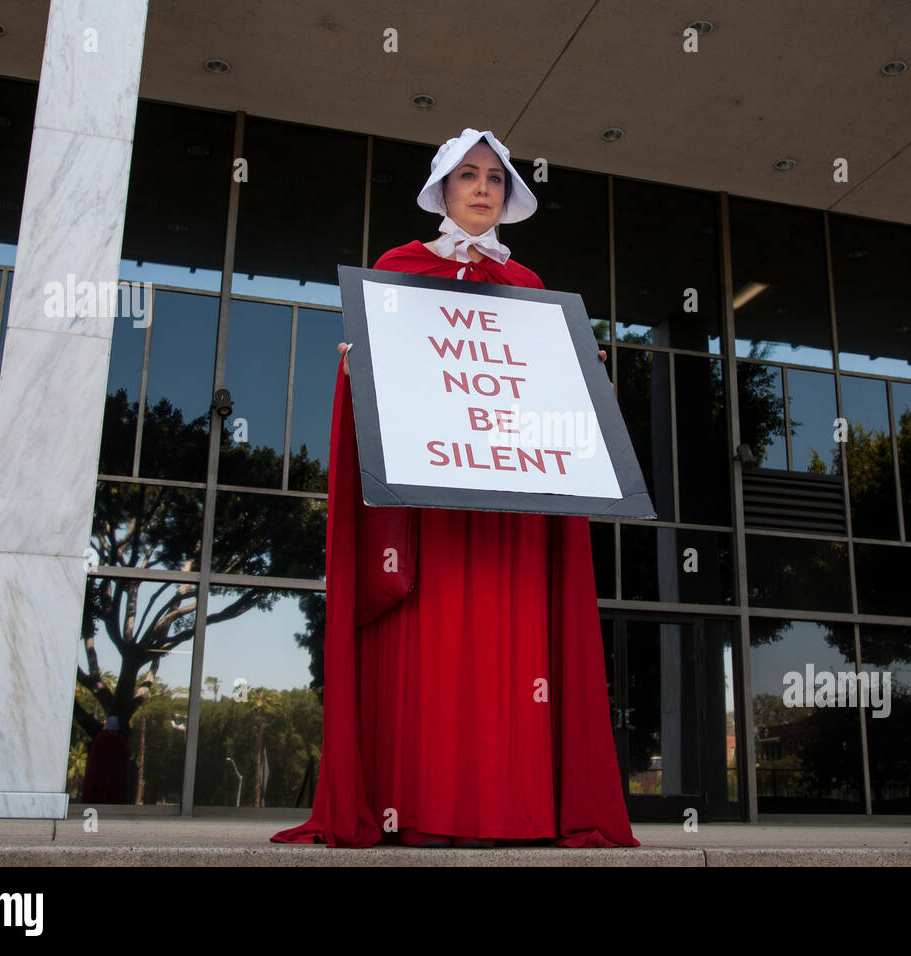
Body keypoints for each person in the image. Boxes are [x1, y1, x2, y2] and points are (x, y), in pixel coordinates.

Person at [271, 128, 637, 849]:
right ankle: (418, 810)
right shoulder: (398, 270)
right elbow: (385, 387)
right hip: (429, 516)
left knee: (514, 662)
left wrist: (577, 369)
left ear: (507, 195)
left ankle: (512, 813)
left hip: (511, 519)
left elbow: (537, 398)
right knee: (427, 659)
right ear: (441, 188)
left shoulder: (530, 289)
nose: (481, 188)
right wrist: (357, 368)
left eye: (494, 179)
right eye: (467, 175)